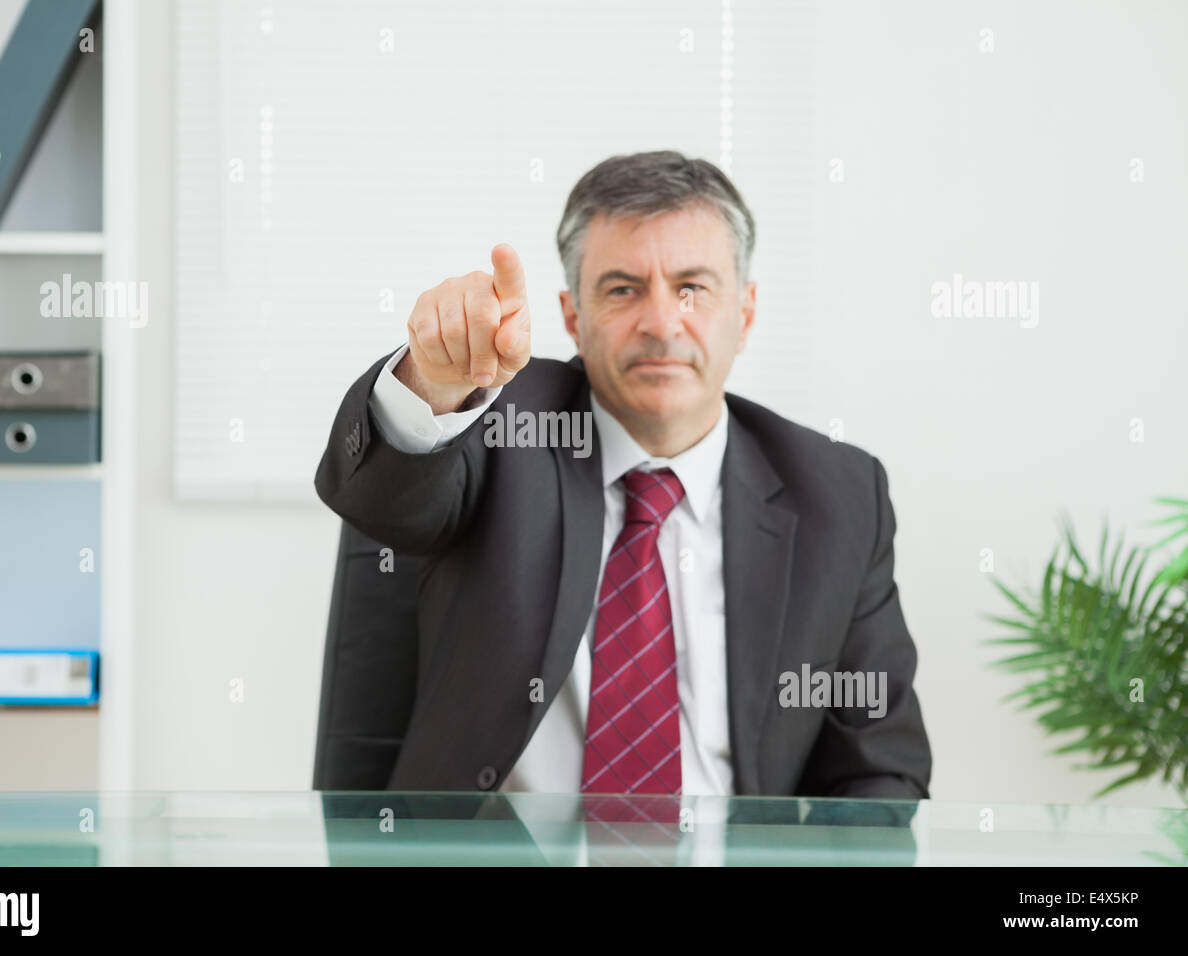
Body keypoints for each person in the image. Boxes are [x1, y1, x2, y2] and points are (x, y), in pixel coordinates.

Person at [315, 150, 931, 799]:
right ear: (573, 315)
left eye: (692, 287)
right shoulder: (495, 428)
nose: (662, 324)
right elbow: (391, 492)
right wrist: (435, 382)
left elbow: (879, 771)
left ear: (744, 314)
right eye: (622, 289)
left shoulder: (837, 499)